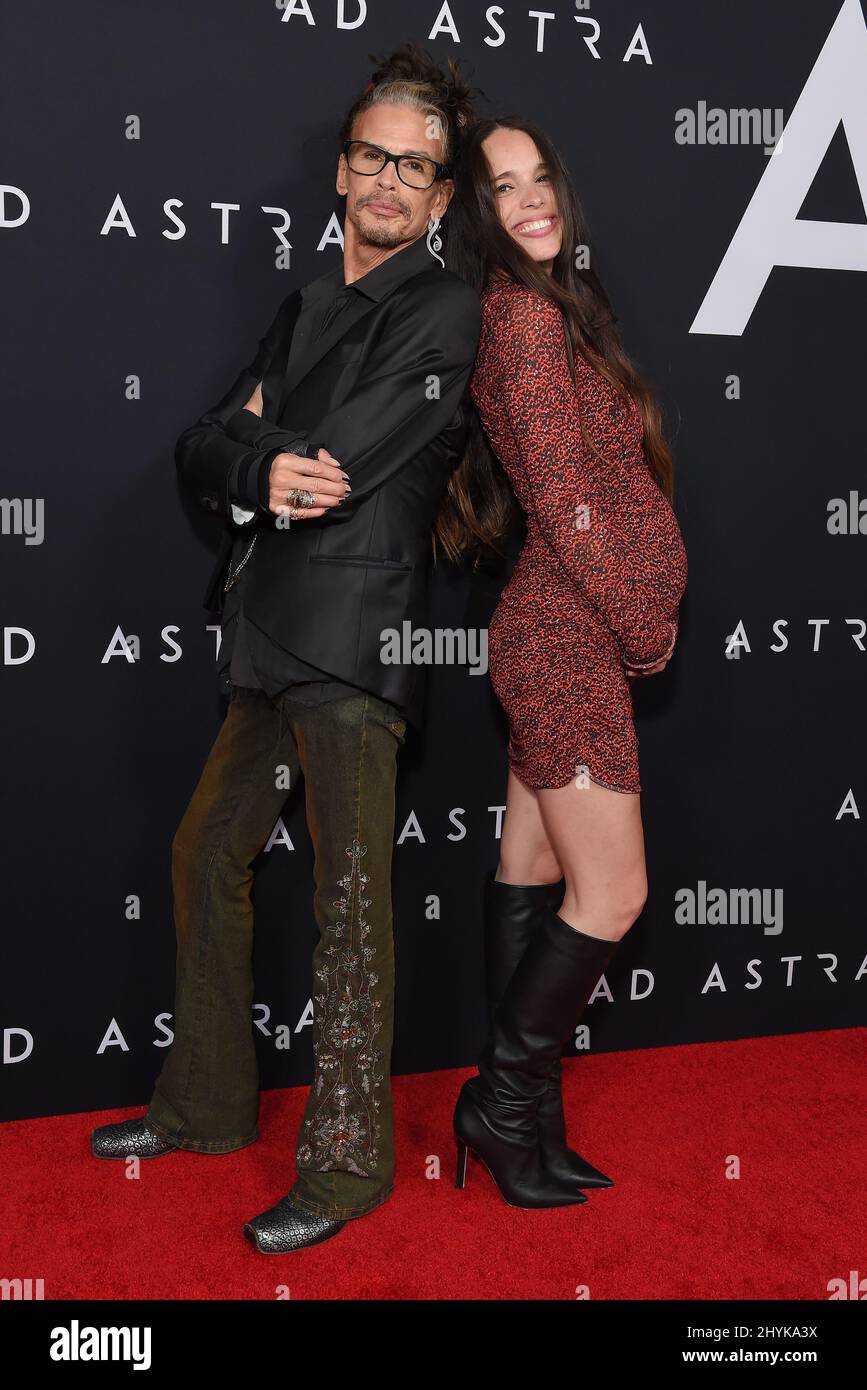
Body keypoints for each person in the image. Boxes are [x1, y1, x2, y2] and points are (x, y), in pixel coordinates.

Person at [91, 43, 482, 1254]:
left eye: (416, 168)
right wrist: (256, 457)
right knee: (206, 850)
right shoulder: (304, 304)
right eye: (375, 157)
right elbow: (204, 445)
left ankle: (349, 1166)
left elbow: (335, 462)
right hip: (266, 628)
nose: (391, 181)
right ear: (342, 170)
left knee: (349, 899)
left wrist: (254, 451)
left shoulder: (444, 308)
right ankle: (206, 1104)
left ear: (440, 197)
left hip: (355, 642)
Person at [440, 116, 688, 1206]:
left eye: (539, 177)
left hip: (556, 630)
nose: (531, 199)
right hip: (569, 637)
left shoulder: (549, 311)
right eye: (503, 186)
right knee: (615, 891)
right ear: (477, 212)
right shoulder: (526, 320)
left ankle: (530, 1124)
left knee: (531, 876)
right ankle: (499, 1106)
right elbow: (566, 502)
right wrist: (641, 618)